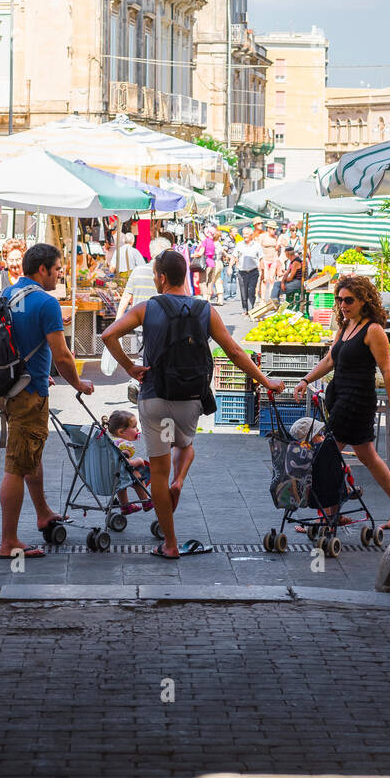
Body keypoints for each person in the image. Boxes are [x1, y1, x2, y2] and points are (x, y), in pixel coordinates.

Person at [101, 249, 286, 558]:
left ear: (160, 278)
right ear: (183, 275)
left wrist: (130, 367)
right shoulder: (206, 310)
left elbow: (109, 335)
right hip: (189, 401)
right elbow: (235, 352)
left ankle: (170, 544)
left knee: (157, 471)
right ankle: (180, 480)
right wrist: (266, 381)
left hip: (155, 399)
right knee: (184, 446)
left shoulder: (146, 308)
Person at [0, 243, 94, 560]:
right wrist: (79, 383)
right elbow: (62, 354)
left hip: (9, 388)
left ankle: (43, 512)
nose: (58, 275)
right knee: (16, 465)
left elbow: (17, 342)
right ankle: (9, 542)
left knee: (29, 454)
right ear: (42, 270)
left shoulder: (6, 295)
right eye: (56, 270)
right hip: (28, 394)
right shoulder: (46, 302)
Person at [292, 275, 390, 530]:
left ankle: (329, 516)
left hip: (356, 401)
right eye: (340, 299)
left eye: (349, 300)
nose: (343, 304)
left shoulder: (373, 330)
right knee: (367, 456)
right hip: (340, 397)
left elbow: (388, 372)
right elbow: (329, 361)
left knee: (327, 453)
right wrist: (305, 379)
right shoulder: (345, 328)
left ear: (364, 300)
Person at [101, 409, 153, 514]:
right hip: (121, 474)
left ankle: (125, 506)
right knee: (137, 476)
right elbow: (125, 462)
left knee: (120, 482)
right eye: (134, 427)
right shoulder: (125, 446)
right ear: (121, 432)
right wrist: (138, 461)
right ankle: (145, 501)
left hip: (108, 475)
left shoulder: (108, 442)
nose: (137, 429)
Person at [235, 226, 263, 314]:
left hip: (253, 271)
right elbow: (234, 256)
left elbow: (261, 258)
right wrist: (229, 267)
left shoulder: (257, 245)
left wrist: (263, 270)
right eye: (243, 234)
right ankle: (245, 309)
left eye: (246, 234)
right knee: (243, 292)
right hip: (242, 272)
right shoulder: (239, 244)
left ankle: (251, 309)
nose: (244, 235)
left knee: (251, 290)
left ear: (251, 235)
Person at [193, 225, 219, 302]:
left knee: (203, 281)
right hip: (212, 263)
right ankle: (208, 298)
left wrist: (193, 255)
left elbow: (201, 253)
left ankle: (204, 298)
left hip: (205, 263)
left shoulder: (205, 241)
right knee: (210, 281)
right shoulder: (212, 242)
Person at [259, 220, 281, 299]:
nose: (274, 230)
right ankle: (263, 298)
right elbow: (259, 248)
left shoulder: (276, 237)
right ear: (268, 228)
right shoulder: (262, 236)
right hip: (265, 259)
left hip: (273, 259)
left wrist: (278, 243)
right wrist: (260, 260)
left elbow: (277, 249)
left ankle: (271, 297)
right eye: (272, 229)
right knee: (265, 279)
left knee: (272, 279)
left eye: (275, 229)